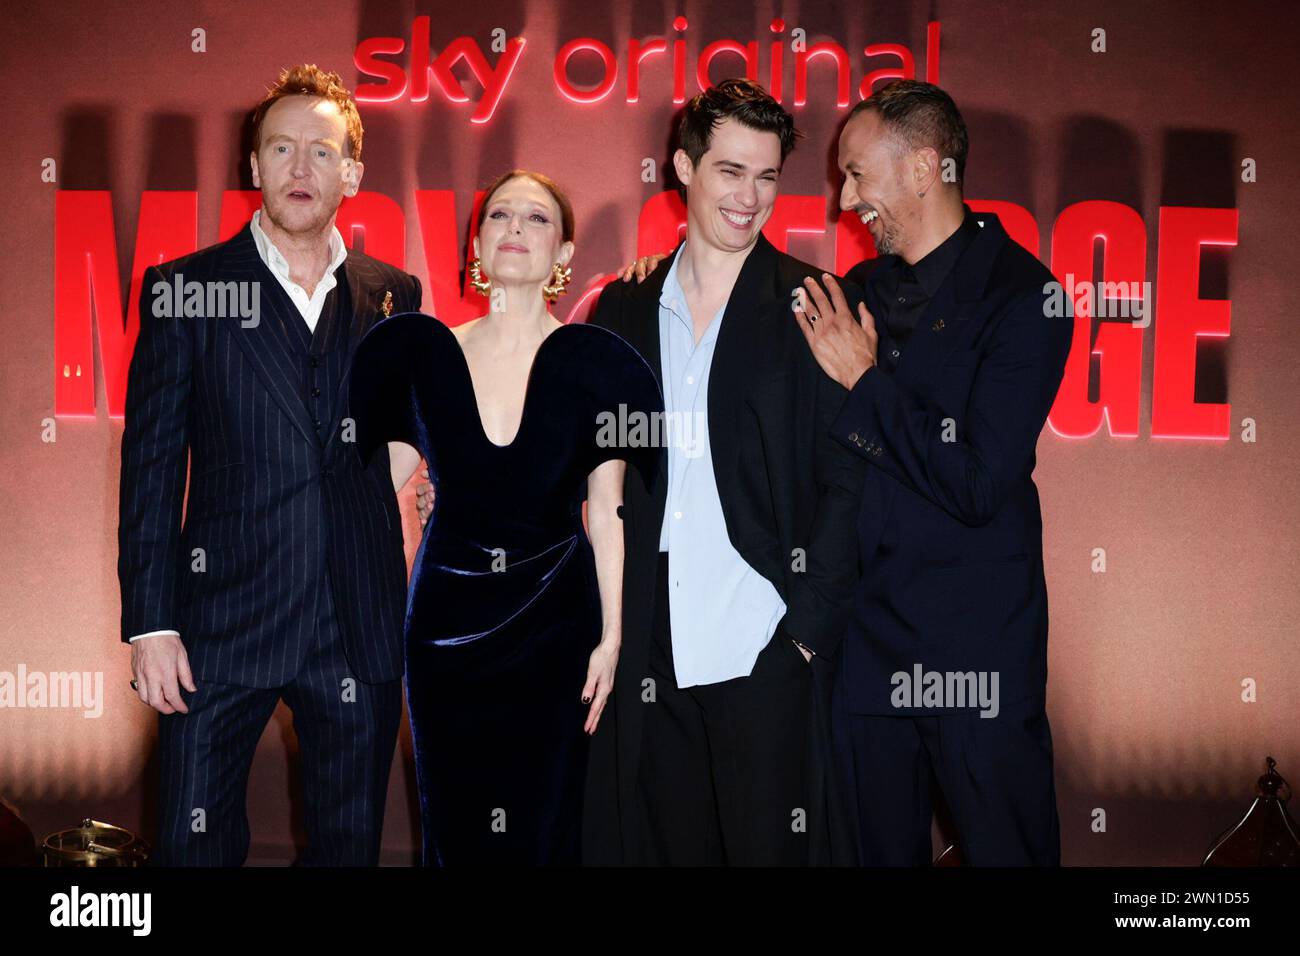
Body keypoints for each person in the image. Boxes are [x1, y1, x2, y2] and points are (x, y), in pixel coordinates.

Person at [118, 65, 420, 865]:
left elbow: (405, 435)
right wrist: (152, 622)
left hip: (354, 622)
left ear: (352, 173)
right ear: (252, 167)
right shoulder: (184, 290)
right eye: (279, 148)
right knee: (192, 846)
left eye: (321, 152)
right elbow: (149, 464)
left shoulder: (395, 296)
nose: (298, 168)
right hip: (218, 625)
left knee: (348, 849)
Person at [575, 78, 868, 866]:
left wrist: (805, 636)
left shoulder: (812, 302)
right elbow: (602, 474)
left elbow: (854, 481)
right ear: (683, 167)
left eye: (767, 176)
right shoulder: (625, 307)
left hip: (763, 640)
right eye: (730, 172)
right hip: (651, 648)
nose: (750, 198)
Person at [347, 170, 662, 866]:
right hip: (446, 631)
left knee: (547, 827)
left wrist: (612, 638)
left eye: (536, 219)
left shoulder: (594, 363)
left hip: (557, 626)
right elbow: (371, 488)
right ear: (477, 242)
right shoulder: (426, 354)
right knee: (454, 826)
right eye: (499, 216)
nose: (514, 229)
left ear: (565, 254)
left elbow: (607, 511)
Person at [795, 79, 1072, 865]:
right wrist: (663, 272)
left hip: (976, 653)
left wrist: (865, 384)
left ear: (922, 169)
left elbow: (980, 482)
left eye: (855, 174)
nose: (845, 199)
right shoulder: (855, 296)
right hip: (865, 652)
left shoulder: (1028, 298)